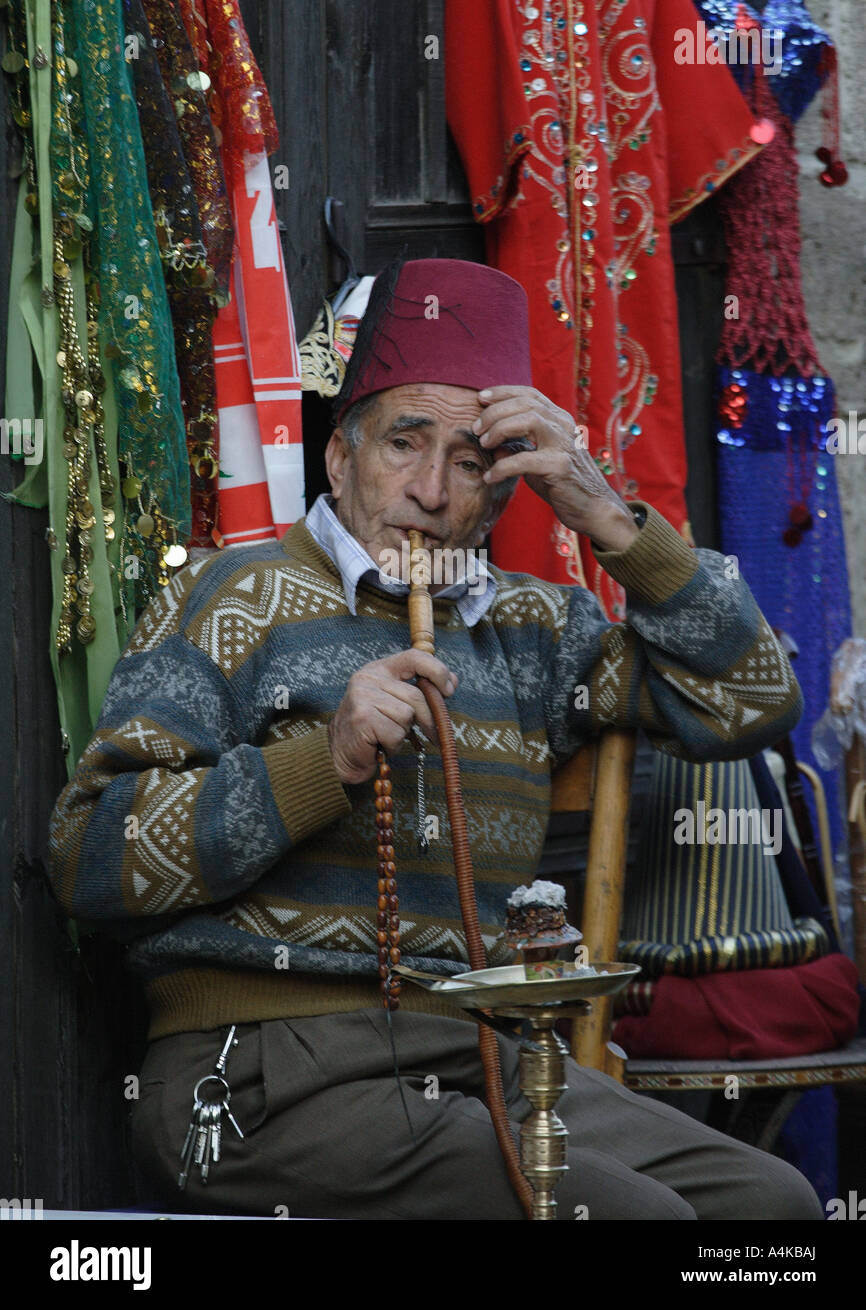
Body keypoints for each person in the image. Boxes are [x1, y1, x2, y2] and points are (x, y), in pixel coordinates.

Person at [47, 258, 822, 1220]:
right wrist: (319, 761)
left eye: (470, 461)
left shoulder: (533, 630)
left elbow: (754, 698)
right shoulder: (227, 596)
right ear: (340, 459)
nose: (430, 490)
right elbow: (88, 857)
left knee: (772, 1206)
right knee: (638, 1223)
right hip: (259, 1074)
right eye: (403, 444)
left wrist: (607, 518)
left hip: (474, 1057)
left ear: (502, 493)